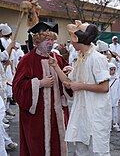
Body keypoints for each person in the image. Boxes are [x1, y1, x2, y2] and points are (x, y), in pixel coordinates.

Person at [49, 20, 112, 156]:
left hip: (96, 114)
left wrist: (81, 86)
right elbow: (68, 82)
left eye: (73, 38)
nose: (71, 42)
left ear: (78, 39)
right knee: (81, 151)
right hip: (82, 113)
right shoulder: (80, 59)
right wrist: (56, 67)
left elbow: (105, 87)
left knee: (98, 152)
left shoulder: (96, 58)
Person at [12, 22, 70, 156]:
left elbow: (69, 82)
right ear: (37, 41)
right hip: (36, 116)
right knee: (37, 148)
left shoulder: (58, 59)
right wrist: (39, 83)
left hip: (57, 115)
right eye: (47, 40)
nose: (50, 43)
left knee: (57, 146)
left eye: (52, 40)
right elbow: (18, 88)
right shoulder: (27, 60)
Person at [108, 62, 120, 132]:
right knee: (108, 113)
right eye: (111, 69)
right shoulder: (106, 79)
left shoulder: (117, 80)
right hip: (108, 99)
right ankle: (108, 125)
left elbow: (118, 89)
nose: (112, 71)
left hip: (115, 98)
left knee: (115, 112)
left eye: (113, 70)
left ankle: (115, 124)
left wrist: (118, 98)